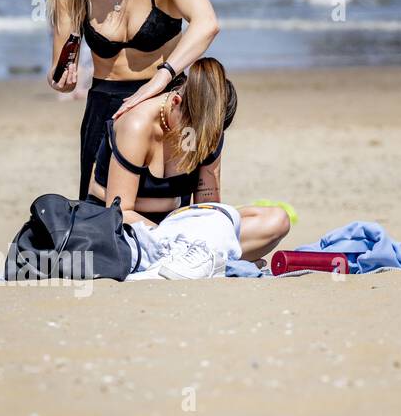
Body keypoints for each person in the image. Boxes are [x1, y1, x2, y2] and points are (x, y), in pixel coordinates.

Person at [46, 0, 221, 200]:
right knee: (99, 213)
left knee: (169, 210)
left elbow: (207, 23)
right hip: (105, 108)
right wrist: (62, 79)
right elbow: (60, 71)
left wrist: (160, 79)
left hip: (166, 103)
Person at [85, 58, 290, 263]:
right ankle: (204, 257)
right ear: (175, 102)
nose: (196, 140)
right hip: (128, 230)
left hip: (178, 229)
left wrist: (196, 232)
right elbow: (119, 212)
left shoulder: (207, 131)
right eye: (192, 132)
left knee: (276, 221)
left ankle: (198, 257)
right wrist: (179, 238)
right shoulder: (138, 125)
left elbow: (207, 210)